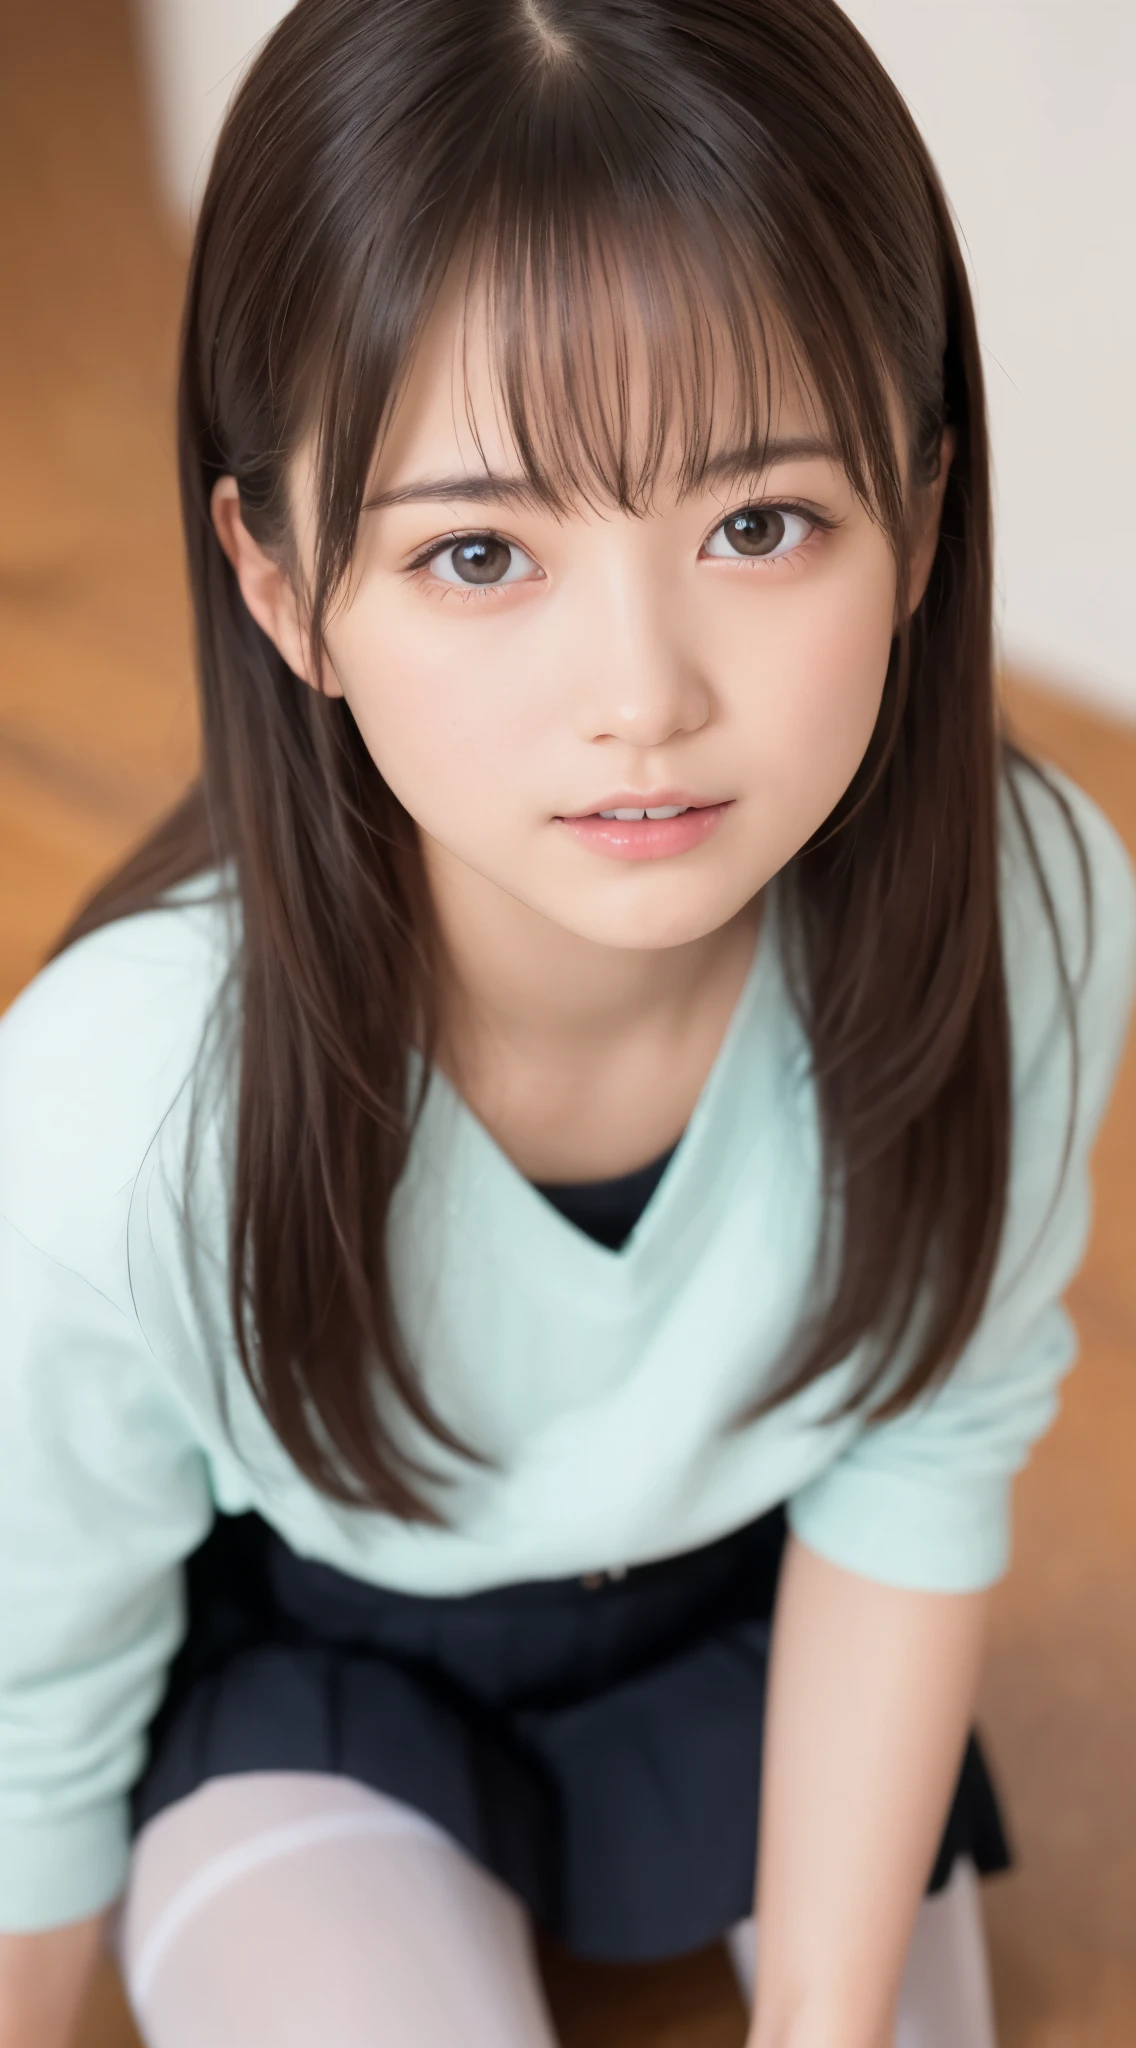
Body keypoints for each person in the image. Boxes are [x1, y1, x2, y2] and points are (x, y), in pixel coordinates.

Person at [0, 1, 1132, 2043]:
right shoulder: (116, 1108)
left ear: (923, 504)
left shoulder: (1023, 910)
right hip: (318, 1682)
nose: (643, 692)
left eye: (757, 524)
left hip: (762, 1615)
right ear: (279, 583)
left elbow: (919, 1457)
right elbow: (33, 1672)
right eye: (479, 551)